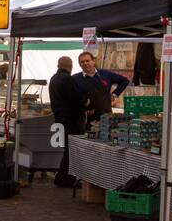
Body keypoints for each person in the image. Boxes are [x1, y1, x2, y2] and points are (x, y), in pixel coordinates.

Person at [48, 56, 86, 187]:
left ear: (59, 65)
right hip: (70, 120)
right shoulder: (68, 80)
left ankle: (61, 177)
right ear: (70, 67)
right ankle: (66, 179)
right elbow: (75, 101)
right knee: (71, 150)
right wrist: (86, 103)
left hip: (59, 119)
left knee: (67, 150)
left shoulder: (53, 79)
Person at [72, 51, 129, 126]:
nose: (85, 63)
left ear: (93, 61)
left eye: (87, 61)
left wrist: (115, 94)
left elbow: (125, 81)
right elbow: (72, 98)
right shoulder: (74, 79)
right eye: (82, 62)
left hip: (106, 116)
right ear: (79, 64)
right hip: (86, 118)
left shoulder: (105, 74)